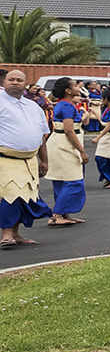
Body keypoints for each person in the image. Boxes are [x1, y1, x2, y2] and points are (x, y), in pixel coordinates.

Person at [0, 70, 50, 250]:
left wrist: (44, 160)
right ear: (4, 82)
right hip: (6, 159)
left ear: (25, 84)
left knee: (24, 197)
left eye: (19, 80)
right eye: (11, 79)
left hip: (29, 160)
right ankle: (6, 234)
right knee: (10, 195)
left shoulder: (33, 106)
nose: (15, 83)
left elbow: (41, 136)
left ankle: (15, 234)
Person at [45, 77, 88, 226]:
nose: (78, 87)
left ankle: (63, 213)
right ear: (68, 90)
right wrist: (82, 151)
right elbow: (69, 131)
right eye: (75, 85)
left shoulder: (62, 104)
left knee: (61, 180)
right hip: (64, 145)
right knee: (73, 181)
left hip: (58, 143)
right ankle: (56, 214)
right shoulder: (68, 106)